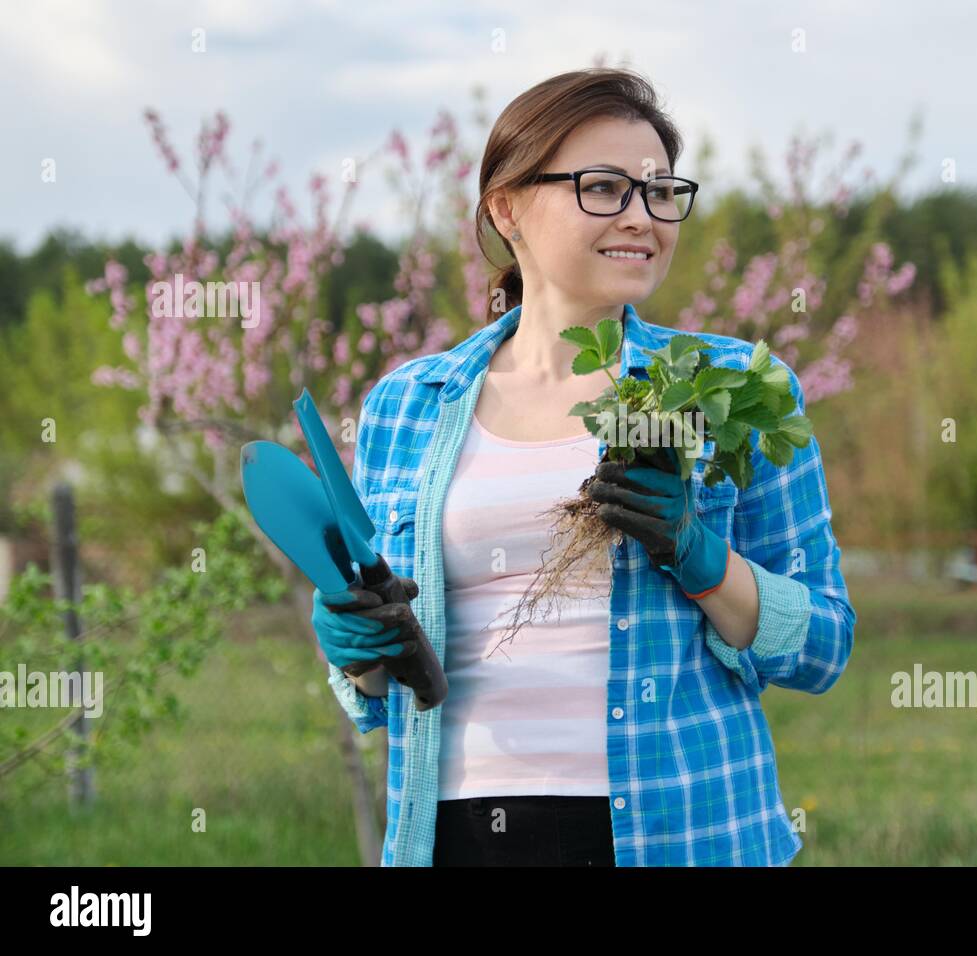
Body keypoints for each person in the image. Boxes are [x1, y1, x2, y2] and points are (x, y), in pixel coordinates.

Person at [310, 66, 855, 867]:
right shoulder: (406, 405)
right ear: (506, 207)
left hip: (683, 835)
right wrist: (354, 653)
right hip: (457, 836)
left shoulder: (731, 390)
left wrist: (702, 560)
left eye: (660, 192)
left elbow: (822, 645)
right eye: (603, 187)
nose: (643, 217)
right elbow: (377, 689)